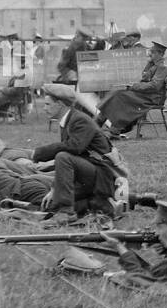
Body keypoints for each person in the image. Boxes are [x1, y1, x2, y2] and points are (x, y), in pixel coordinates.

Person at [31, 83, 126, 222]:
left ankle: (66, 212)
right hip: (91, 174)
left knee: (62, 157)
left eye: (47, 104)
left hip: (103, 173)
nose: (44, 108)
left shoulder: (79, 120)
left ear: (60, 104)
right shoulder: (69, 120)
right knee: (50, 204)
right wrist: (54, 189)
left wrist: (40, 153)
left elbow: (74, 148)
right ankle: (104, 204)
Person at [98, 39, 167, 135]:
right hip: (144, 94)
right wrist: (149, 63)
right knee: (117, 92)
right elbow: (143, 77)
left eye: (153, 52)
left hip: (151, 98)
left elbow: (154, 86)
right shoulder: (152, 66)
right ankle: (102, 120)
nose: (150, 54)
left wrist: (133, 86)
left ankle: (114, 128)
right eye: (151, 51)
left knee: (120, 95)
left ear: (160, 54)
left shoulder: (163, 68)